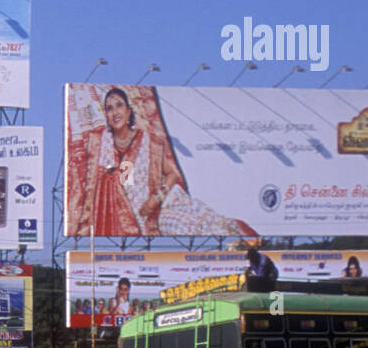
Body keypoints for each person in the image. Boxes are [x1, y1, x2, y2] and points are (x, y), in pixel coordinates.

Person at [67, 86, 253, 237]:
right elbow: (97, 184)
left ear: (129, 111)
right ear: (106, 115)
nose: (115, 112)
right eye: (109, 108)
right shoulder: (101, 143)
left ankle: (247, 242)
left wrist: (156, 199)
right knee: (181, 226)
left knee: (195, 222)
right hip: (128, 214)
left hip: (161, 208)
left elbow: (173, 174)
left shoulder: (148, 141)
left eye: (119, 105)